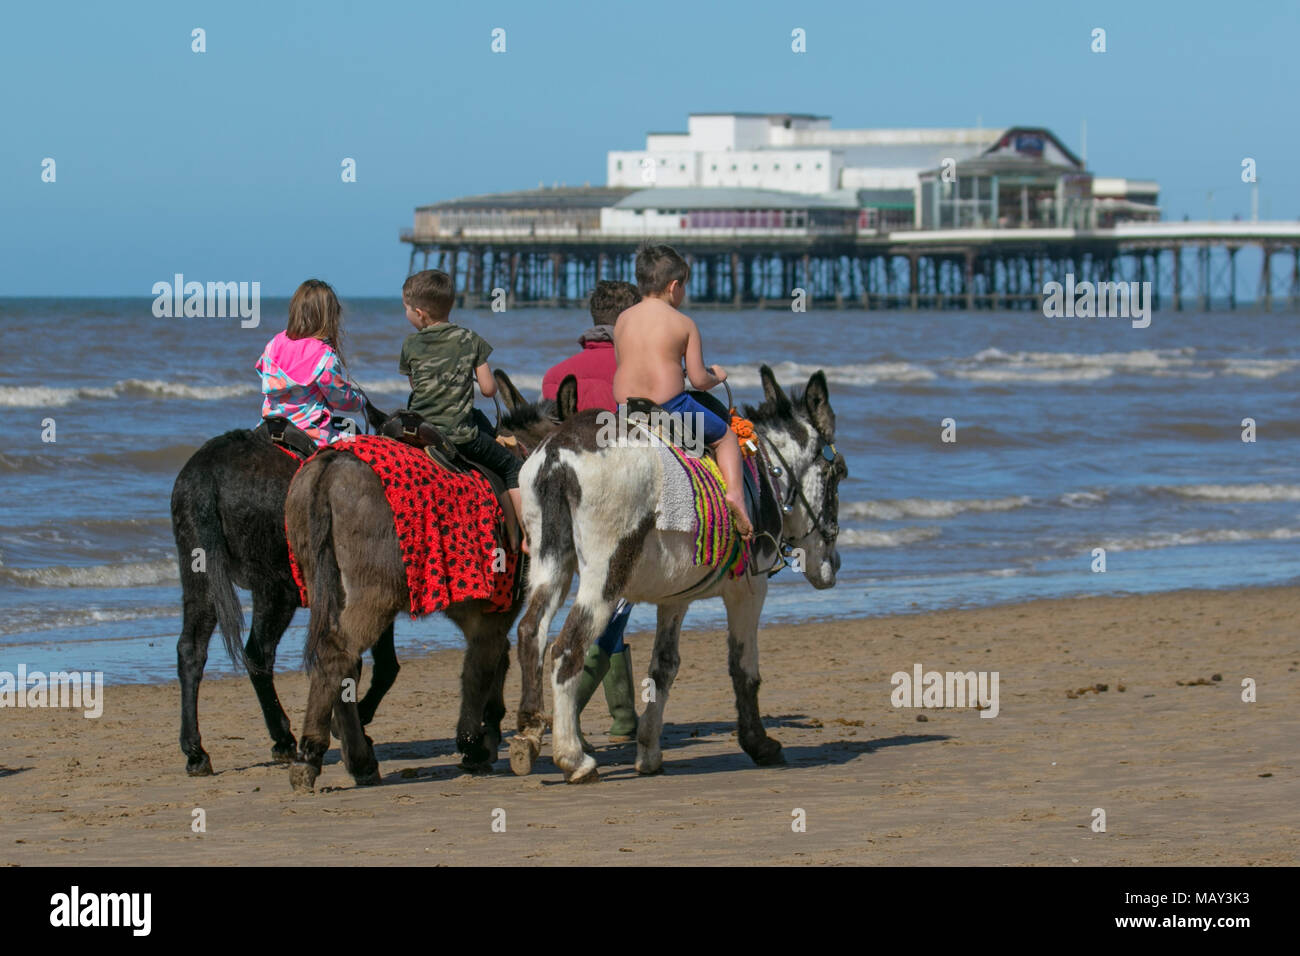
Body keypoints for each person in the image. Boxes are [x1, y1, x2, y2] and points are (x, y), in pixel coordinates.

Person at [542, 280, 642, 746]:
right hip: (619, 507)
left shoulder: (556, 375)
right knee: (609, 610)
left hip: (561, 510)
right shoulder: (639, 371)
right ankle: (562, 721)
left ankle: (624, 720)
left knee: (599, 609)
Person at [613, 243, 753, 537]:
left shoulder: (623, 320)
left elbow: (627, 363)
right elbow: (699, 380)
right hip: (670, 410)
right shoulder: (684, 323)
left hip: (625, 411)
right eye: (684, 287)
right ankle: (735, 497)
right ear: (674, 286)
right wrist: (717, 375)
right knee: (727, 439)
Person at [398, 269, 525, 548]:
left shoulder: (410, 344)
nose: (405, 314)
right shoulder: (470, 339)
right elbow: (489, 390)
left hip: (420, 429)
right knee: (513, 467)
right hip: (460, 436)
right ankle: (527, 536)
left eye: (406, 309)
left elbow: (417, 387)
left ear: (419, 313)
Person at [256, 278, 366, 446]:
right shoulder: (324, 355)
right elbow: (338, 397)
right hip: (310, 433)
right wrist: (359, 401)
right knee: (355, 441)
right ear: (329, 317)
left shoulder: (274, 344)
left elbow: (262, 371)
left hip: (270, 428)